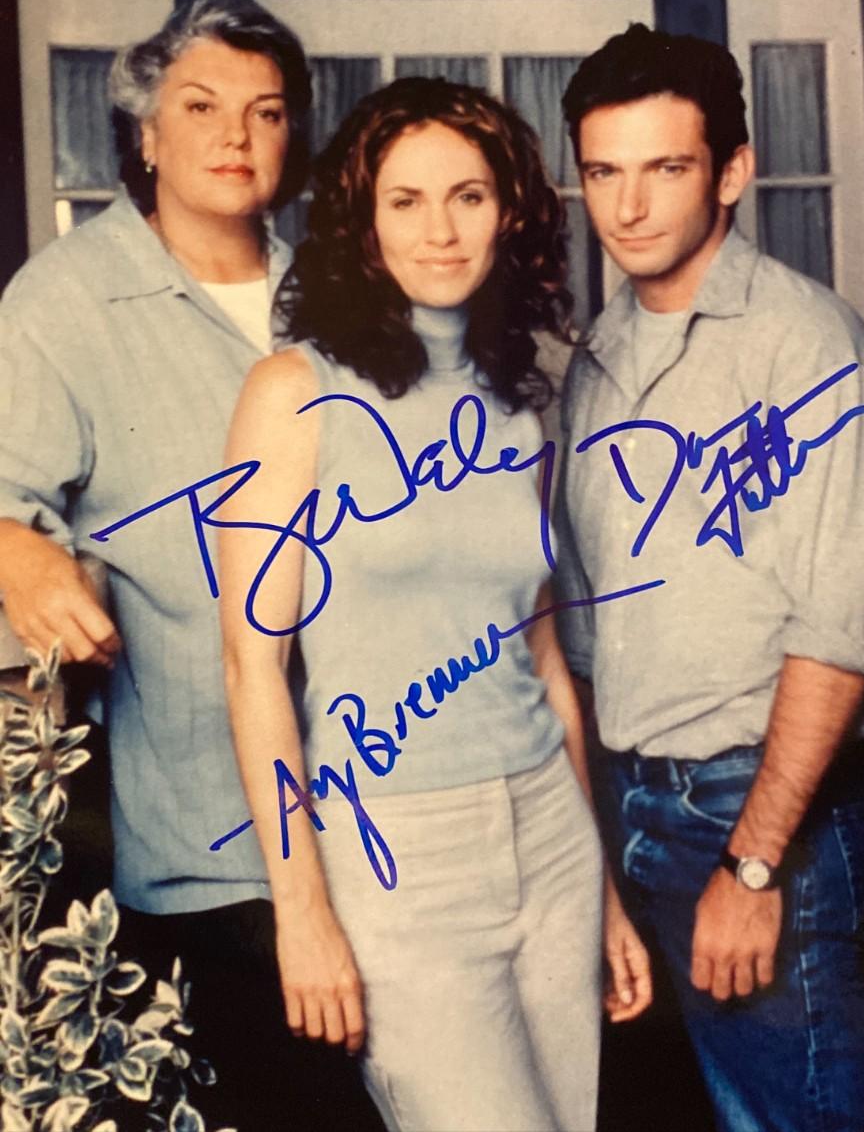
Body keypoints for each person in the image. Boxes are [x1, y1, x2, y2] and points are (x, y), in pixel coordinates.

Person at [216, 75, 652, 1132]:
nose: (441, 229)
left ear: (510, 210)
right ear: (362, 221)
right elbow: (251, 664)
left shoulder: (517, 403)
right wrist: (304, 909)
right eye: (404, 200)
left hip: (548, 831)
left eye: (467, 195)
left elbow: (542, 659)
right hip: (394, 852)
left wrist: (599, 887)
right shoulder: (294, 392)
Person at [0, 0, 383, 1131]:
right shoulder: (62, 300)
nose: (235, 135)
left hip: (390, 793)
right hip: (208, 825)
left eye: (266, 112)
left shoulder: (348, 286)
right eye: (202, 106)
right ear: (145, 134)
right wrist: (20, 550)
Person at [554, 24, 864, 1132]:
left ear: (733, 171)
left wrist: (754, 865)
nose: (628, 207)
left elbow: (841, 632)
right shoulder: (600, 351)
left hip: (761, 811)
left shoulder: (812, 351)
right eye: (603, 173)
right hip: (630, 801)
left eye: (665, 168)